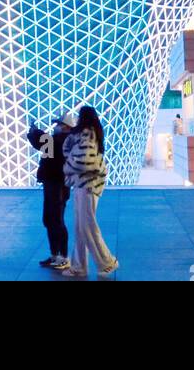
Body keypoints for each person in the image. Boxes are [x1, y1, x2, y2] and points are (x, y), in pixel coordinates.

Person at [61, 105, 118, 277]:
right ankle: (79, 266)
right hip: (85, 184)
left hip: (87, 185)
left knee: (87, 226)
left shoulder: (86, 132)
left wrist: (68, 165)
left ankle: (107, 261)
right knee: (80, 227)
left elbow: (84, 160)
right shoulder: (91, 132)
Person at [26, 111, 75, 269]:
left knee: (57, 220)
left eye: (59, 124)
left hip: (59, 185)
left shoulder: (66, 141)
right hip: (50, 183)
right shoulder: (56, 140)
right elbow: (42, 143)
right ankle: (55, 255)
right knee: (49, 219)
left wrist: (35, 132)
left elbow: (45, 141)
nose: (56, 127)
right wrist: (33, 133)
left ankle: (63, 257)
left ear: (67, 127)